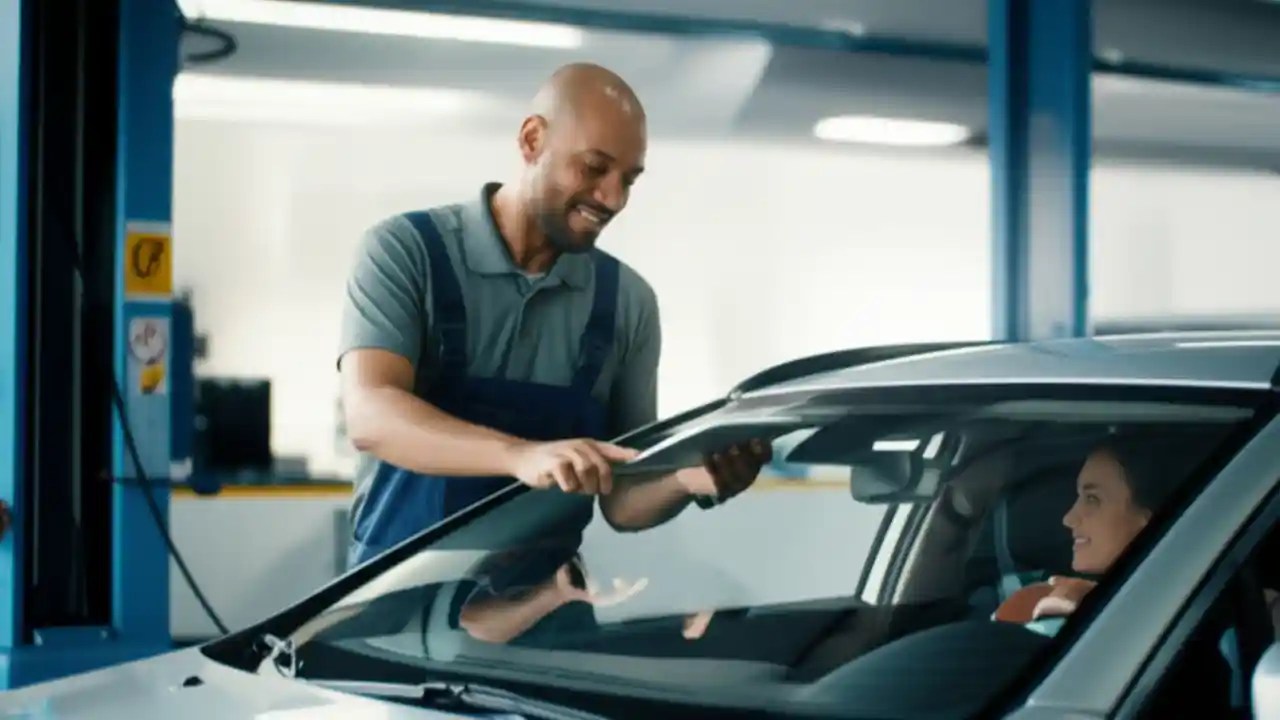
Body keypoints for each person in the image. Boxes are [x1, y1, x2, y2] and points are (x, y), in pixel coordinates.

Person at [337, 62, 770, 569]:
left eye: (629, 179)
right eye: (594, 168)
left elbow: (623, 499)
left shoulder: (627, 302)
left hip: (544, 604)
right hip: (394, 601)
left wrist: (690, 481)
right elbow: (370, 415)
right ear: (531, 140)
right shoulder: (404, 252)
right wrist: (520, 456)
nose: (613, 199)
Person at [994, 438, 1175, 625]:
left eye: (1092, 499)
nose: (1068, 519)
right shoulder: (1033, 598)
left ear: (1147, 522)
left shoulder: (1170, 615)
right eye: (1079, 497)